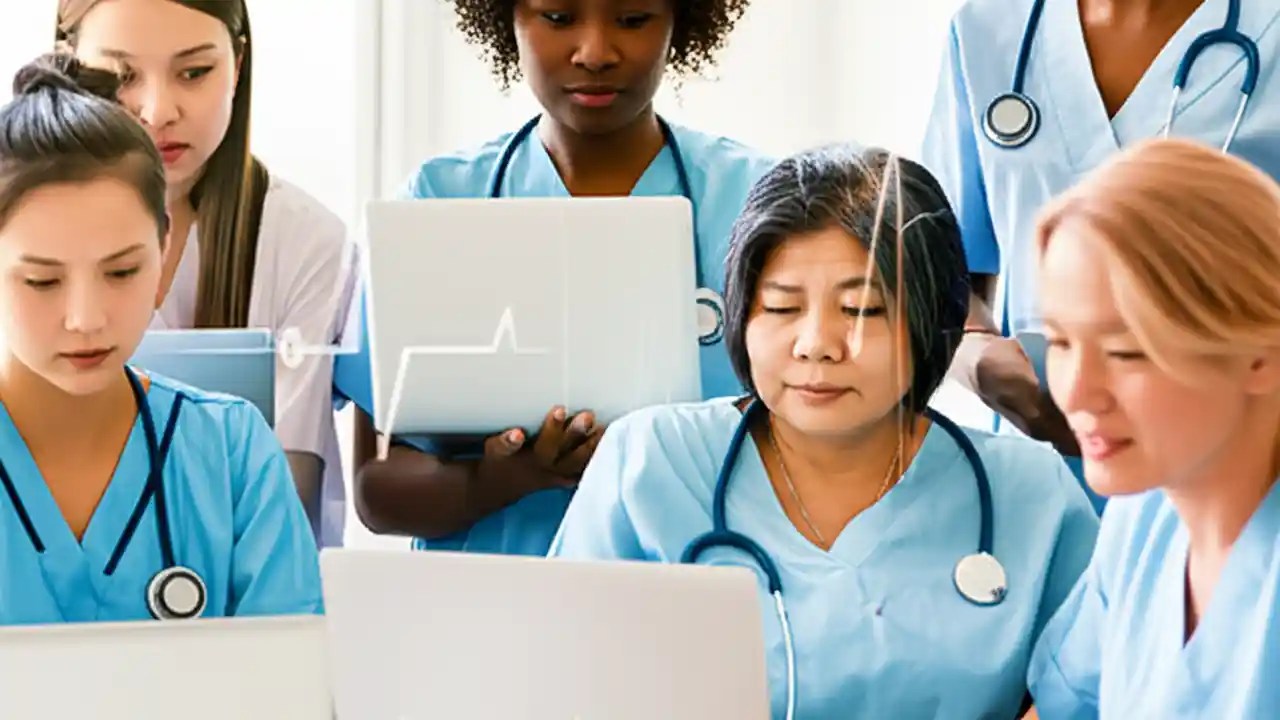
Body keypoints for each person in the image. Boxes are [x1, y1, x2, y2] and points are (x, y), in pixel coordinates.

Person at [549, 146, 1100, 720]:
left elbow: (1088, 695)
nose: (817, 344)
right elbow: (556, 682)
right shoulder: (649, 463)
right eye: (782, 308)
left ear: (933, 321)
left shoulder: (1029, 492)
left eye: (862, 311)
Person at [338, 0, 776, 557]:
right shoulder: (437, 201)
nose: (595, 53)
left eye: (633, 19)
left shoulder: (759, 202)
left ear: (680, 23)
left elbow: (817, 449)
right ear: (508, 20)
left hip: (694, 592)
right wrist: (505, 478)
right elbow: (378, 493)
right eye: (558, 17)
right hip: (492, 611)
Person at [920, 0, 1280, 515]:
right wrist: (981, 363)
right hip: (1045, 481)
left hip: (1230, 466)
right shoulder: (989, 30)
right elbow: (941, 275)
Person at [0, 52, 321, 626]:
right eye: (42, 281)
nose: (86, 319)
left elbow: (290, 686)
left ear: (164, 248)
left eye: (121, 272)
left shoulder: (232, 454)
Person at [56, 0, 360, 548]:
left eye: (194, 72)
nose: (157, 110)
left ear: (237, 66)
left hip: (244, 600)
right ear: (66, 62)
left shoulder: (302, 241)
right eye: (122, 75)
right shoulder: (23, 232)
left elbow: (286, 499)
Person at [1025, 138, 1280, 718]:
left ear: (1262, 355)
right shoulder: (1144, 519)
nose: (1076, 391)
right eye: (1060, 343)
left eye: (1127, 351)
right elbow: (1067, 708)